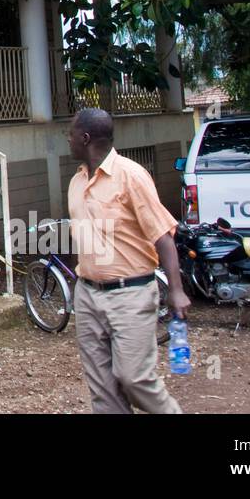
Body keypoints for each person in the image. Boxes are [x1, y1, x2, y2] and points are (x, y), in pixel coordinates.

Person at [66, 107, 189, 414]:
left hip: (130, 295)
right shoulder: (76, 182)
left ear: (85, 138)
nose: (67, 140)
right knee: (103, 389)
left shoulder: (130, 175)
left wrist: (176, 289)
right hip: (88, 295)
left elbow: (163, 236)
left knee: (134, 378)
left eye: (70, 134)